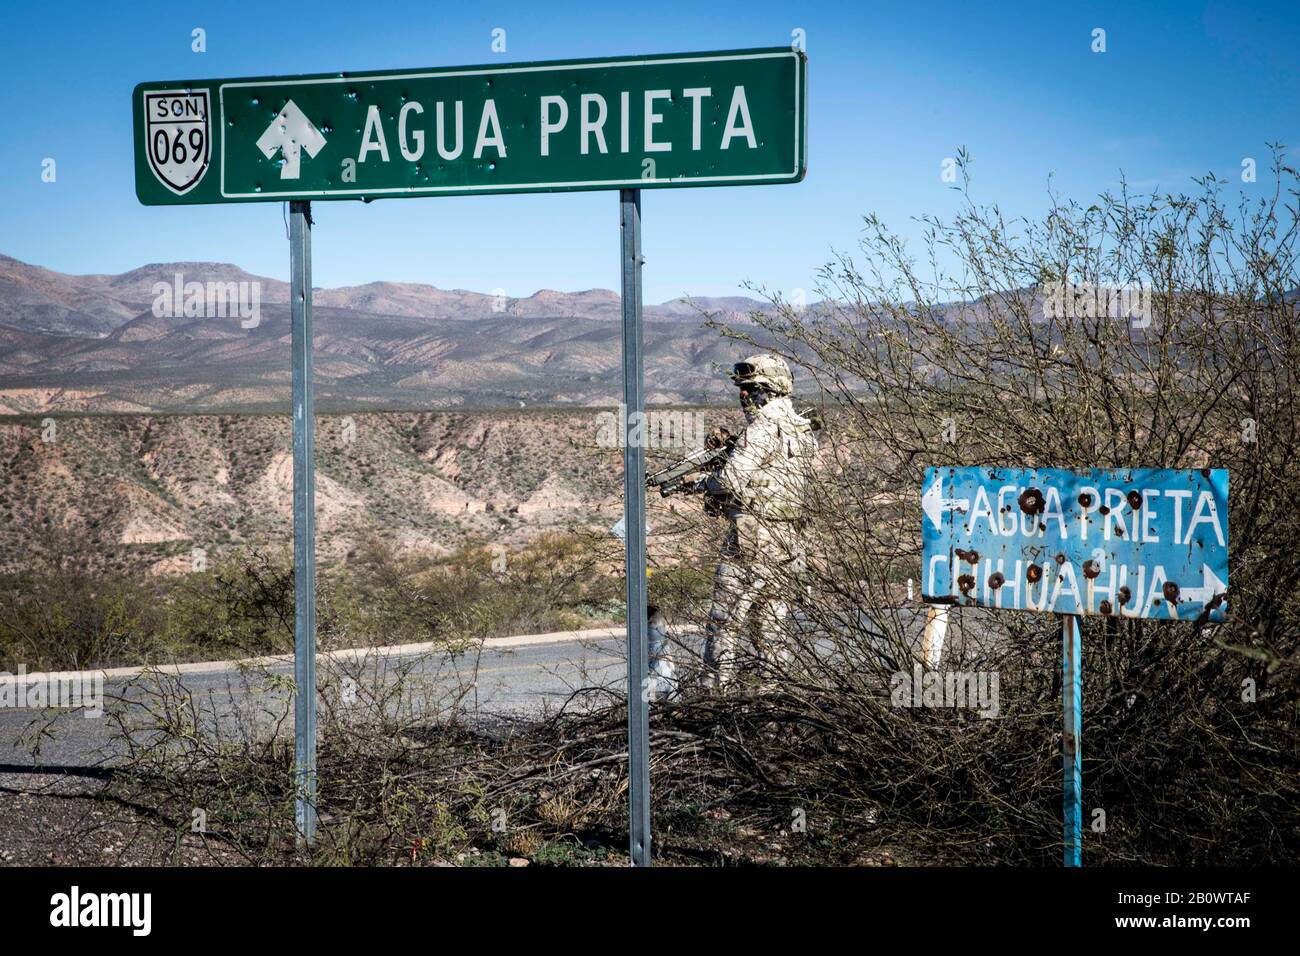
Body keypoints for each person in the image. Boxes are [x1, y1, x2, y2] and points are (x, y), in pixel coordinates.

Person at [691, 354, 818, 688]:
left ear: (769, 390)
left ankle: (716, 695)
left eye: (750, 389)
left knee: (724, 621)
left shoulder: (762, 427)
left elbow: (730, 480)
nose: (744, 396)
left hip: (752, 536)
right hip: (788, 539)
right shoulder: (802, 428)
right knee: (770, 625)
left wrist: (699, 483)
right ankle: (772, 697)